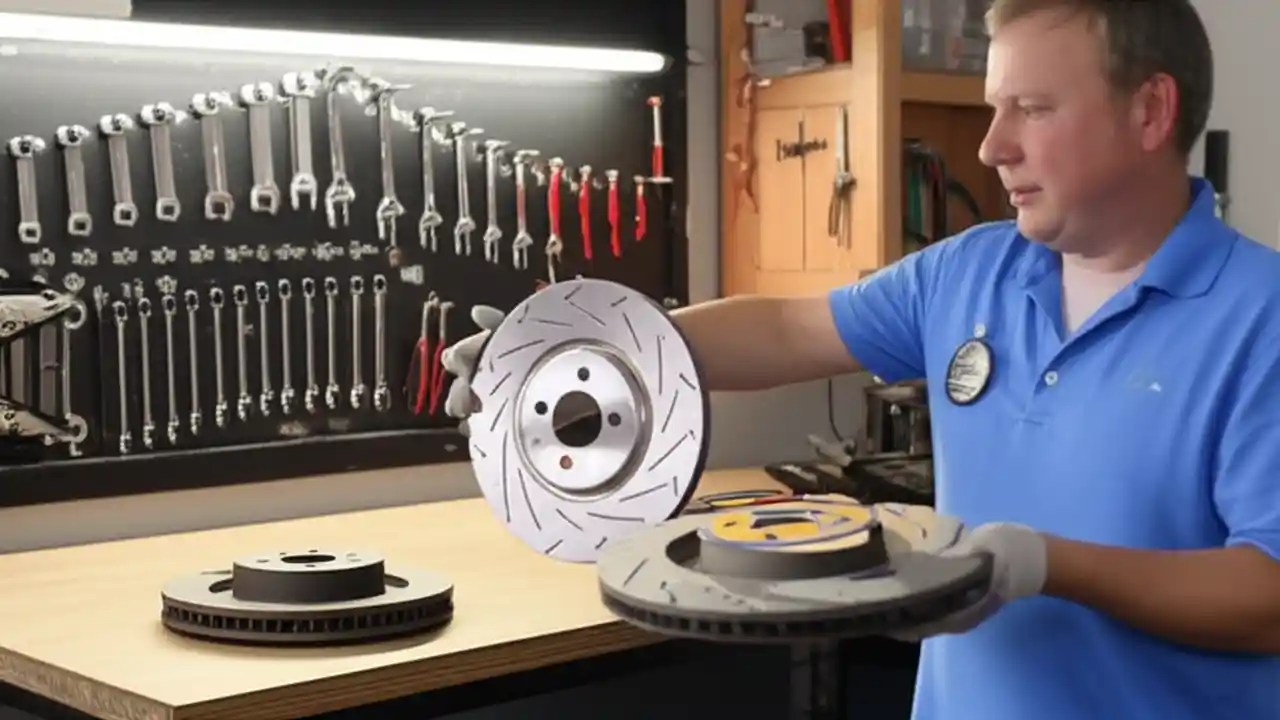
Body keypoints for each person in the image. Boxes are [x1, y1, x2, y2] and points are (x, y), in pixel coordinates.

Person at [443, 1, 1280, 717]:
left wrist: (1043, 564)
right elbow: (783, 332)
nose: (992, 147)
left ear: (1150, 112)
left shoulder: (1262, 317)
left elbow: (1269, 594)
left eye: (1033, 108)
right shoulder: (969, 271)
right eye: (994, 108)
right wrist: (575, 343)